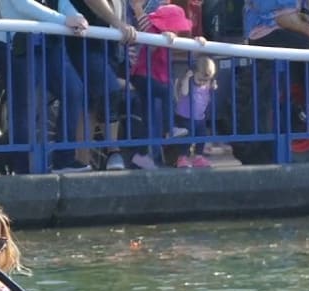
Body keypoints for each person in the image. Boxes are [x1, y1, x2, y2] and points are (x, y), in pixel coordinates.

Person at [0, 0, 93, 174]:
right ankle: (21, 168)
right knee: (25, 107)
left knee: (73, 91)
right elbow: (21, 4)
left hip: (47, 40)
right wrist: (63, 20)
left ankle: (64, 158)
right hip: (14, 42)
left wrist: (77, 16)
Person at [57, 0, 140, 170]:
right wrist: (119, 24)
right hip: (84, 38)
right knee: (109, 91)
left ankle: (81, 160)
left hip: (108, 42)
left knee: (90, 103)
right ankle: (113, 151)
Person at [128, 2, 205, 170]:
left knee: (149, 117)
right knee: (166, 91)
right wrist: (162, 38)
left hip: (153, 77)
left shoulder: (171, 35)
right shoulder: (153, 30)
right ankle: (170, 128)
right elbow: (152, 45)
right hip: (144, 76)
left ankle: (142, 155)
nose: (177, 30)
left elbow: (188, 47)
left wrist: (197, 41)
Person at [244, 0, 309, 132]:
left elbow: (307, 24)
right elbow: (285, 20)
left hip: (291, 33)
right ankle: (308, 109)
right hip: (264, 33)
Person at [173, 54, 216, 168]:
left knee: (201, 137)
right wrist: (187, 78)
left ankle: (198, 157)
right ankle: (182, 157)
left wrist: (212, 86)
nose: (202, 82)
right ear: (193, 73)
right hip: (185, 116)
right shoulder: (189, 82)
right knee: (186, 137)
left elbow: (208, 93)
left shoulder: (207, 83)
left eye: (205, 80)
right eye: (200, 79)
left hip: (199, 117)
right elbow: (184, 92)